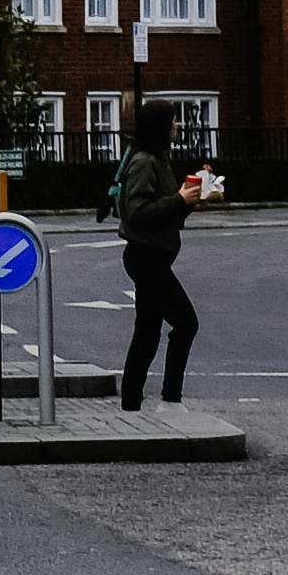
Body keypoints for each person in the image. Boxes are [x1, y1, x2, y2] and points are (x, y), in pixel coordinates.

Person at [109, 115, 200, 411]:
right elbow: (137, 213)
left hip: (154, 255)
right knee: (186, 323)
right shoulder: (144, 162)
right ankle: (171, 399)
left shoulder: (159, 159)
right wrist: (179, 200)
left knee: (147, 333)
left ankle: (131, 404)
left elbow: (166, 214)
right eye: (172, 121)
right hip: (146, 258)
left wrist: (191, 200)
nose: (175, 126)